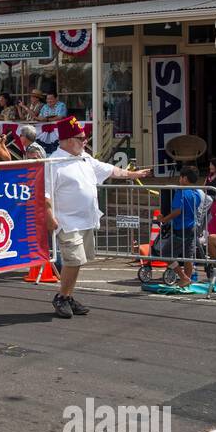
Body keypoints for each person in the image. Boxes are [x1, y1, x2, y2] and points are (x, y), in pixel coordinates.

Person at [44, 116, 153, 318]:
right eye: (81, 137)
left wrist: (133, 175)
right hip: (67, 221)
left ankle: (67, 296)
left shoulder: (85, 158)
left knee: (78, 261)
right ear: (68, 140)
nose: (85, 141)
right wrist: (49, 216)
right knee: (73, 260)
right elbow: (45, 195)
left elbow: (110, 169)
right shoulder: (53, 163)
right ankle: (61, 297)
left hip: (85, 219)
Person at [157, 166, 203, 288]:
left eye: (180, 177)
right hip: (192, 227)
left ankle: (183, 277)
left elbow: (177, 210)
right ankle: (186, 282)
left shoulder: (181, 191)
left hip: (181, 228)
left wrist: (164, 220)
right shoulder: (197, 193)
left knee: (166, 254)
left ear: (184, 178)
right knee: (188, 256)